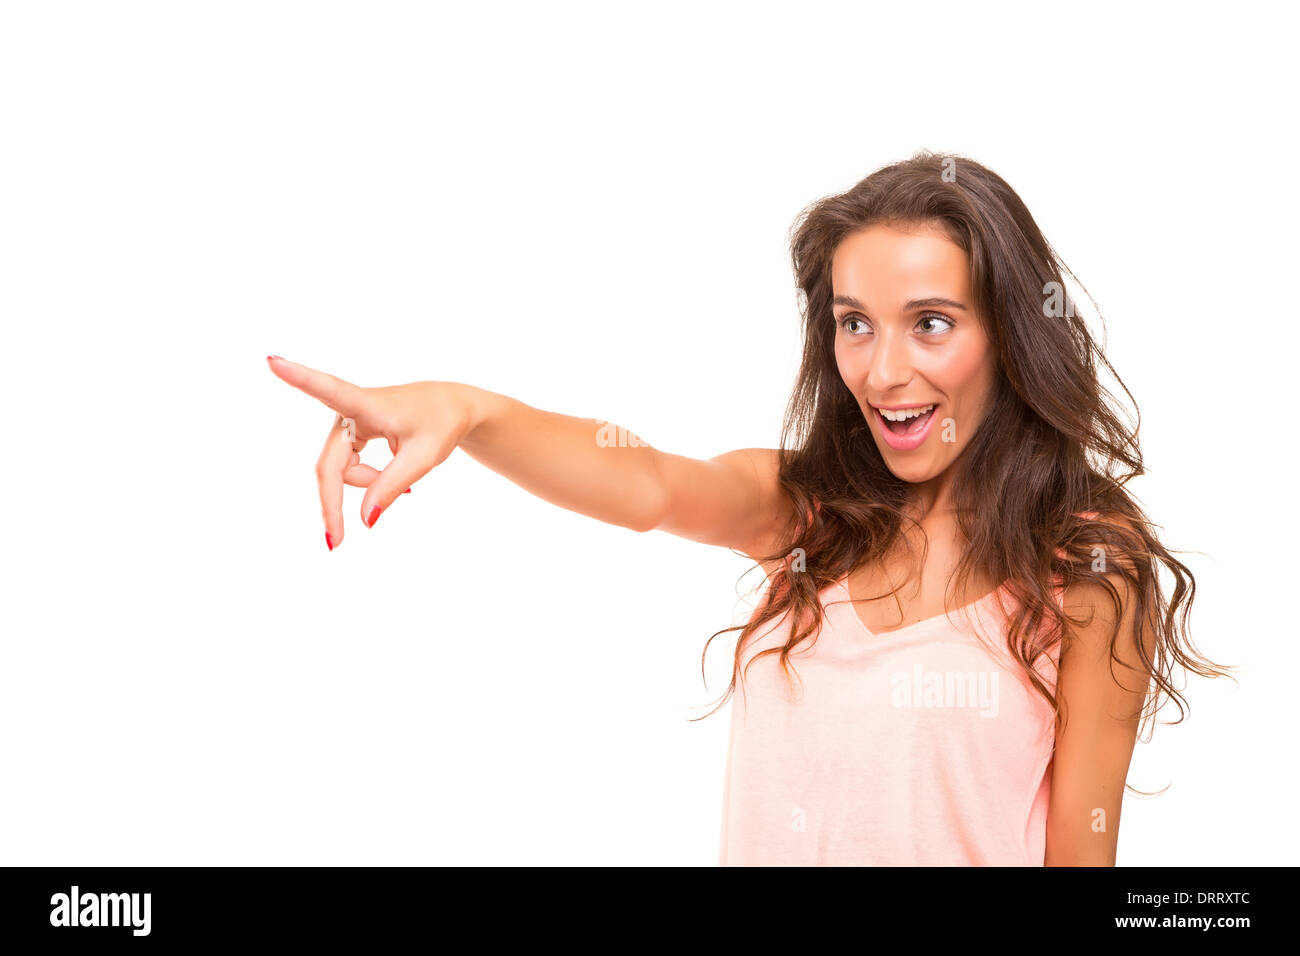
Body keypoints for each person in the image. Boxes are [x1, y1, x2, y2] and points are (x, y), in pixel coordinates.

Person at [266, 150, 1233, 866]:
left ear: (1013, 333)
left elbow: (1084, 859)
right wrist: (471, 412)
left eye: (930, 323)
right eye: (854, 324)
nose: (883, 371)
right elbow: (646, 482)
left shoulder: (1086, 567)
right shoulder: (810, 515)